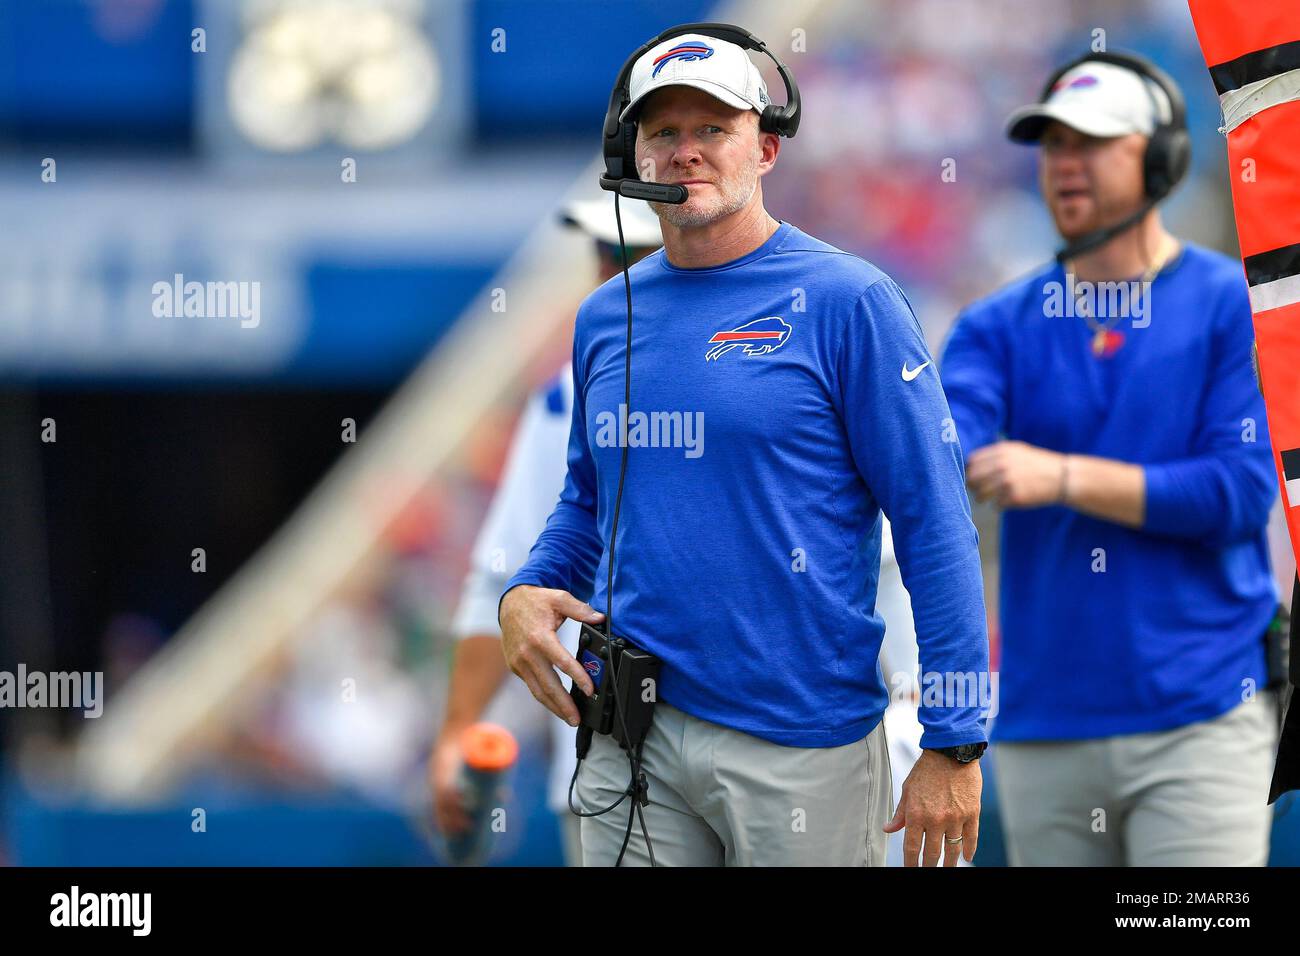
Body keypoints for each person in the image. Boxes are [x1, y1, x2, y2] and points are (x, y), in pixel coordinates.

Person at [498, 29, 989, 867]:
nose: (685, 153)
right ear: (631, 153)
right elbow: (586, 499)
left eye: (712, 130)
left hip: (801, 744)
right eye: (664, 133)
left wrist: (956, 740)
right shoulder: (603, 315)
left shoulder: (851, 301)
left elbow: (934, 522)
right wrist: (527, 590)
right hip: (633, 738)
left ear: (764, 149)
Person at [940, 51, 1279, 865]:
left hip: (1201, 721)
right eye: (1053, 146)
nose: (1065, 165)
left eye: (1092, 143)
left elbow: (1235, 494)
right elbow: (944, 454)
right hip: (1044, 725)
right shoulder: (994, 325)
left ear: (1159, 158)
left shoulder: (1234, 304)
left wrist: (1057, 476)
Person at [430, 197, 663, 867]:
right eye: (605, 256)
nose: (610, 275)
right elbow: (505, 576)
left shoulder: (780, 366)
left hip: (760, 755)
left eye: (631, 256)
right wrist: (459, 731)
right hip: (610, 766)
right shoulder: (567, 394)